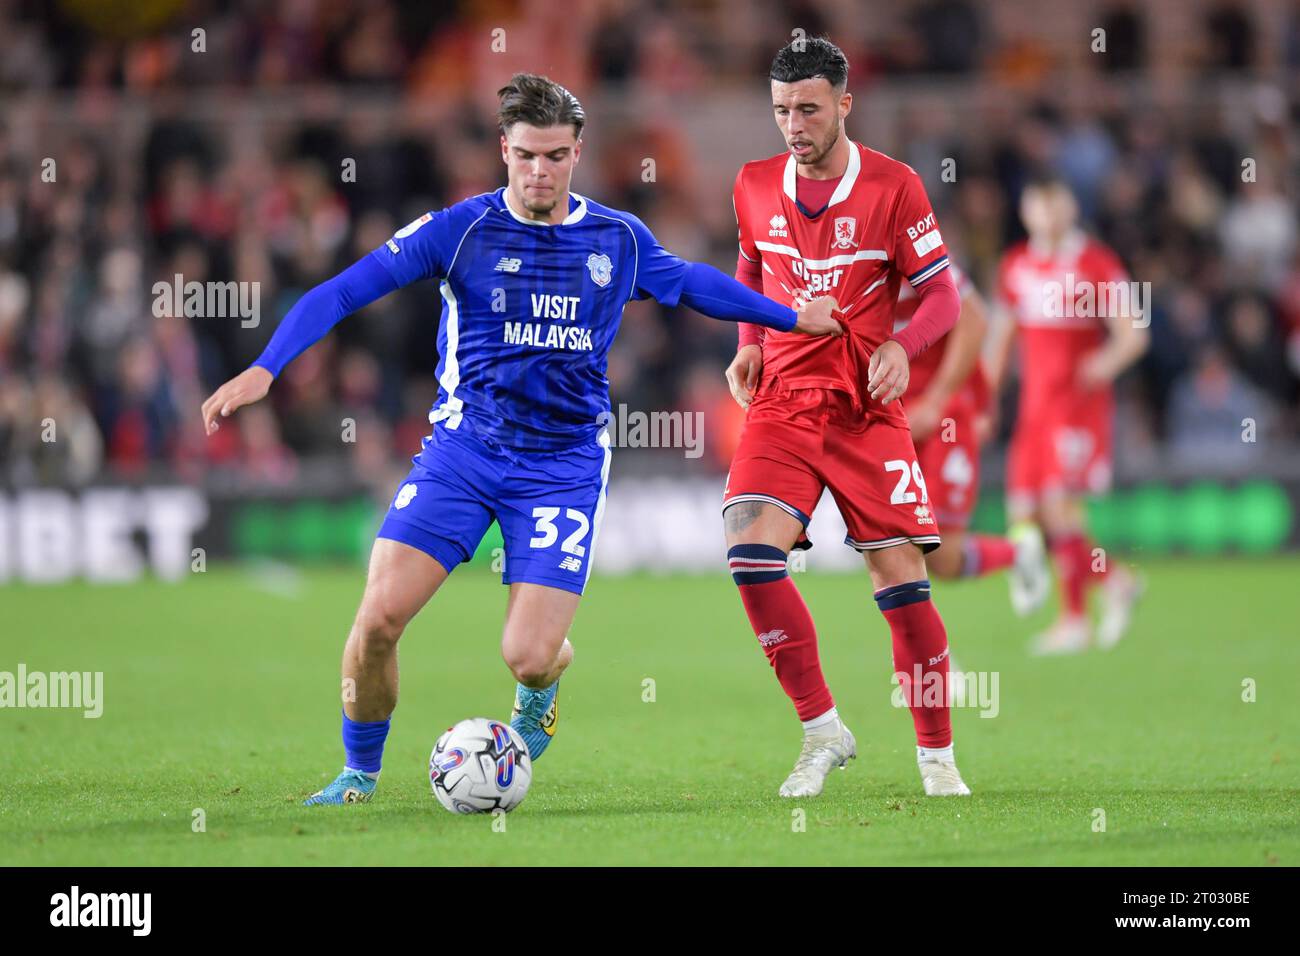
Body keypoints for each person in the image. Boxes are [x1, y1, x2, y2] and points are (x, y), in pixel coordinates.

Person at [200, 73, 843, 805]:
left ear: (578, 154)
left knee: (528, 657)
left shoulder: (615, 239)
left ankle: (543, 687)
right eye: (527, 156)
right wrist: (265, 367)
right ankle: (358, 774)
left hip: (563, 464)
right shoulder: (460, 230)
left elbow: (694, 283)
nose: (541, 172)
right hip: (464, 452)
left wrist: (792, 318)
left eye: (557, 156)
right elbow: (346, 290)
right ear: (504, 150)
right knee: (378, 618)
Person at [722, 39, 969, 798]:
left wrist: (903, 344)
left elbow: (943, 296)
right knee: (748, 552)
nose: (793, 125)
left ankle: (936, 755)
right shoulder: (753, 183)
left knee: (900, 581)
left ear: (844, 105)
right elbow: (751, 269)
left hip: (865, 411)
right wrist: (749, 344)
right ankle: (822, 729)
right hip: (783, 405)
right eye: (780, 110)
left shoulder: (894, 187)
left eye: (808, 109)